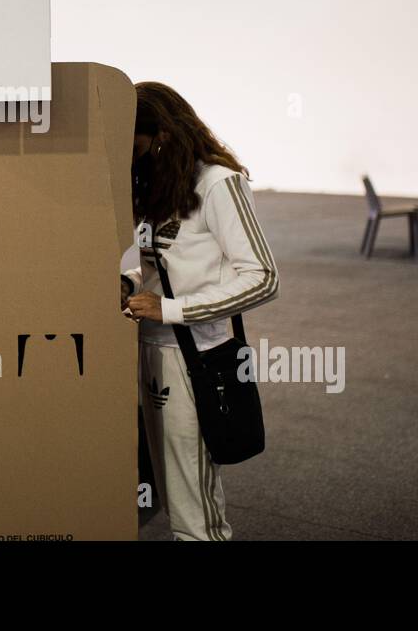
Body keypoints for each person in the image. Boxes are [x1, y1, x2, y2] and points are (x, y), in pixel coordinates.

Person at [122, 82, 279, 541]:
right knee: (170, 495)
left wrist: (170, 309)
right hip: (150, 349)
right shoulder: (157, 184)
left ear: (162, 135)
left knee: (196, 510)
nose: (127, 155)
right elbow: (165, 267)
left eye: (132, 142)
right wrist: (131, 283)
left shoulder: (218, 183)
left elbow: (263, 277)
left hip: (198, 358)